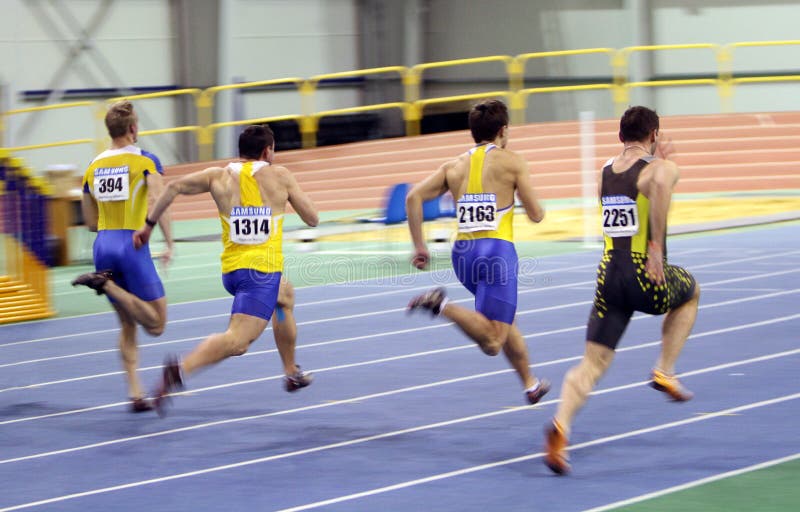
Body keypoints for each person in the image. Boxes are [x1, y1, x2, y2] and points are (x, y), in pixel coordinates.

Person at [543, 106, 700, 475]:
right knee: (691, 292)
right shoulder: (658, 168)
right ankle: (665, 370)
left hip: (608, 276)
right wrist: (656, 248)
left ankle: (561, 426)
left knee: (592, 363)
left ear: (620, 136)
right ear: (654, 134)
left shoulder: (604, 172)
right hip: (644, 274)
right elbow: (658, 185)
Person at [132, 124, 318, 414]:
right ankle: (180, 370)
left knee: (285, 297)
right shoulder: (280, 176)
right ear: (267, 151)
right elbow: (313, 218)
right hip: (260, 274)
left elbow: (172, 187)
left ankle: (290, 371)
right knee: (237, 342)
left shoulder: (217, 176)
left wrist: (148, 226)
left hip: (233, 272)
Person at [405, 99, 550, 405]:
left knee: (504, 321)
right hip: (497, 252)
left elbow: (413, 197)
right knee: (493, 341)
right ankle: (441, 304)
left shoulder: (453, 166)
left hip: (463, 255)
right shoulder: (513, 162)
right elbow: (536, 215)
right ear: (503, 130)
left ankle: (530, 383)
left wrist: (420, 246)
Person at [71, 100, 174, 413]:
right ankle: (106, 285)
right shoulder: (146, 160)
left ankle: (135, 393)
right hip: (132, 245)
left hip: (103, 246)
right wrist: (169, 242)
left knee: (127, 322)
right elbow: (158, 200)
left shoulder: (92, 167)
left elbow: (90, 222)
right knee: (156, 324)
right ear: (133, 128)